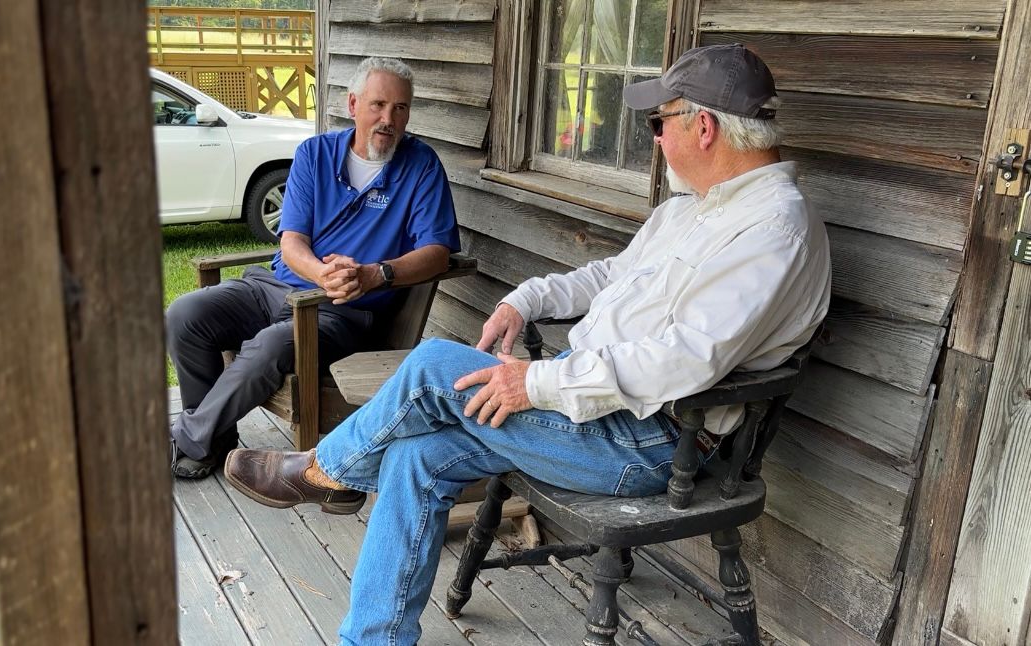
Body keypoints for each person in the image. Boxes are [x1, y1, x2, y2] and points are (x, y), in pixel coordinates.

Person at [224, 44, 832, 644]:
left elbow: (685, 361)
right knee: (417, 457)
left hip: (651, 442)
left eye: (658, 122)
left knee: (435, 362)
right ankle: (374, 638)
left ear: (703, 127)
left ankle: (323, 469)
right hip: (594, 407)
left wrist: (533, 382)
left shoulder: (773, 231)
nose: (655, 138)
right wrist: (526, 299)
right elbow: (611, 277)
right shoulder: (692, 211)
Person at [165, 57, 460, 478]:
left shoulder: (421, 165)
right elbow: (291, 242)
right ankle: (215, 438)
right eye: (378, 105)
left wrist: (376, 273)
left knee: (269, 347)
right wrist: (320, 272)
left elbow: (437, 252)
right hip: (275, 286)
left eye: (400, 109)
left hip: (342, 310)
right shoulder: (315, 154)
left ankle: (185, 441)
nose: (388, 119)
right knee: (184, 315)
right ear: (353, 103)